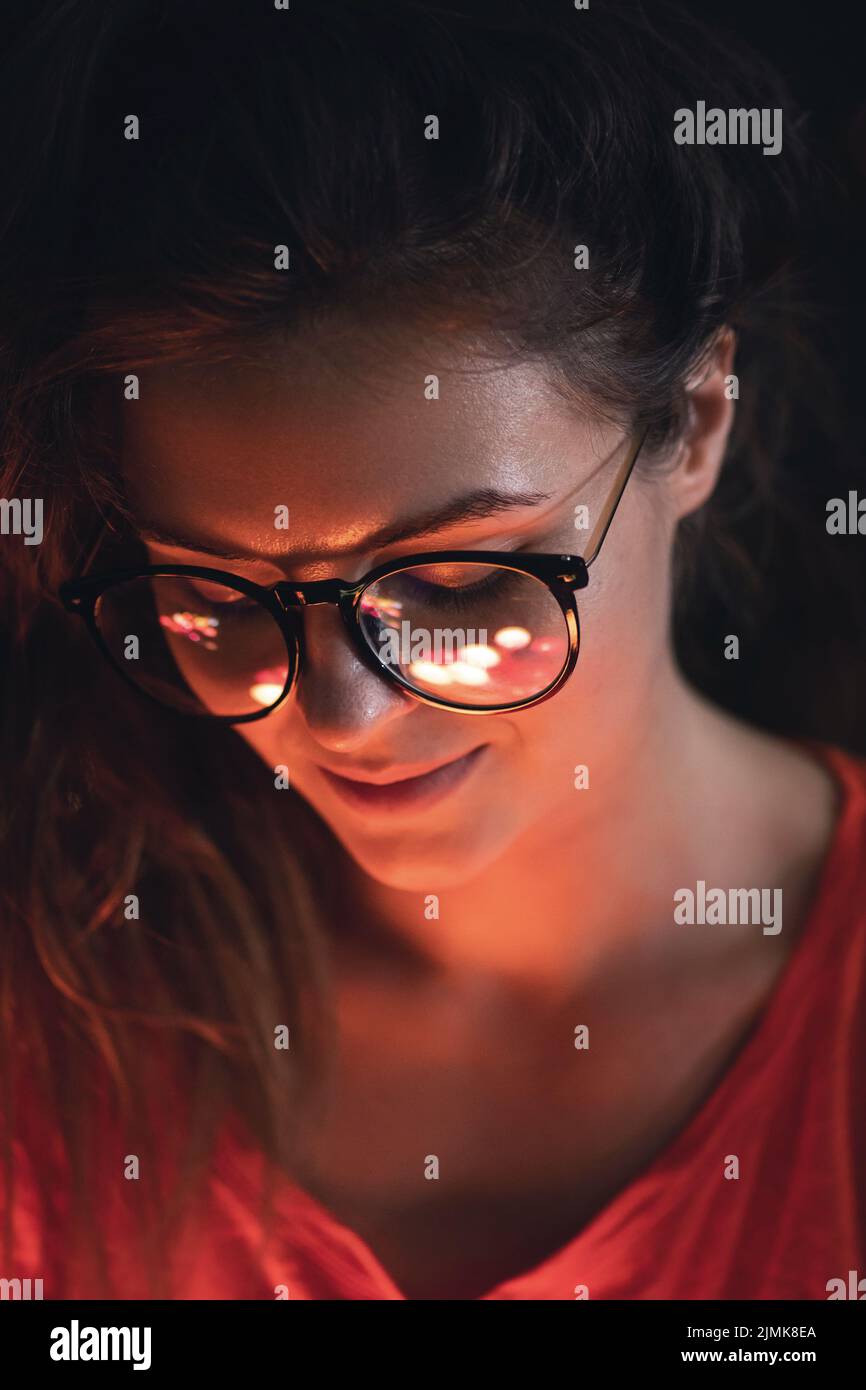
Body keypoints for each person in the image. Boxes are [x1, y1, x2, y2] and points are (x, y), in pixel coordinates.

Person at [1, 0, 863, 1301]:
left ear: (690, 424)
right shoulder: (60, 1015)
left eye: (458, 577)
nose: (341, 714)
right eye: (217, 597)